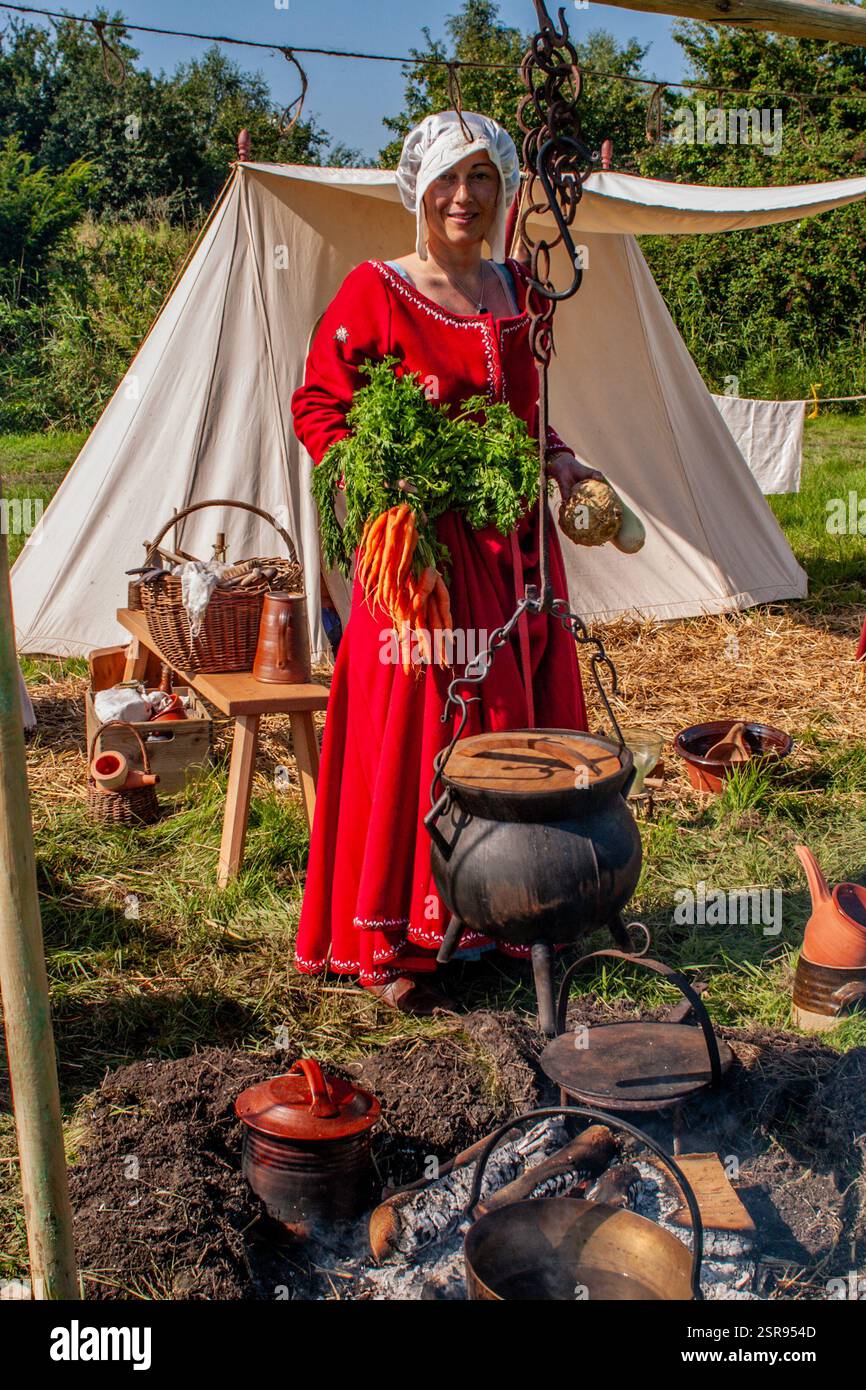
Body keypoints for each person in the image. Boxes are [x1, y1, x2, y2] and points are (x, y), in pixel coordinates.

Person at [291, 110, 602, 1012]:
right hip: (421, 555)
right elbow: (320, 408)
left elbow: (524, 420)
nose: (464, 198)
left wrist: (560, 457)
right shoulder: (377, 291)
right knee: (416, 726)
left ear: (502, 192)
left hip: (516, 551)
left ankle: (507, 910)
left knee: (512, 727)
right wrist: (384, 494)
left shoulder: (522, 292)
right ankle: (391, 934)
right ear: (416, 190)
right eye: (447, 180)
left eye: (482, 180)